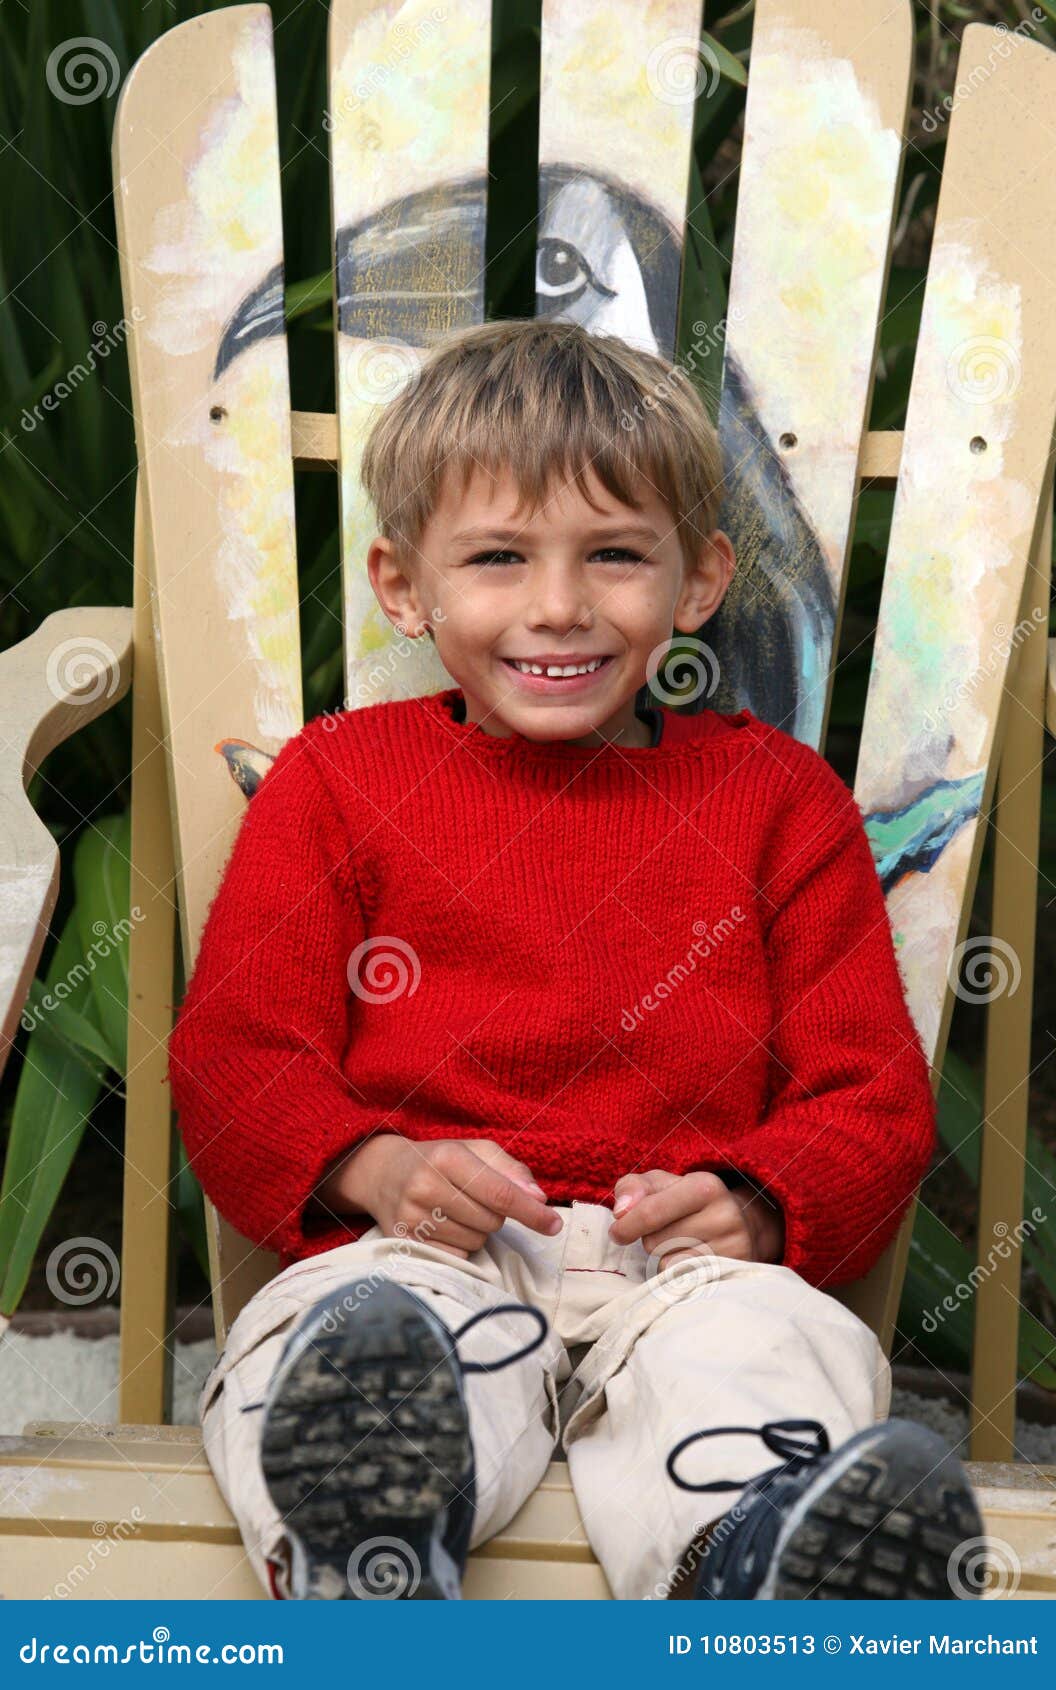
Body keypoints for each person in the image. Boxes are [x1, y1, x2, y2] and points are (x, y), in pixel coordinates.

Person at [168, 318, 987, 1603]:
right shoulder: (339, 781)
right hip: (424, 1245)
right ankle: (366, 1528)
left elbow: (868, 1092)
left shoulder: (777, 801)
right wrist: (375, 1167)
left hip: (687, 1268)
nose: (558, 605)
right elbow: (237, 1055)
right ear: (404, 586)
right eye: (497, 557)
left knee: (759, 1356)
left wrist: (758, 1198)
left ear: (696, 580)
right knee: (357, 1342)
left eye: (613, 554)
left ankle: (760, 1557)